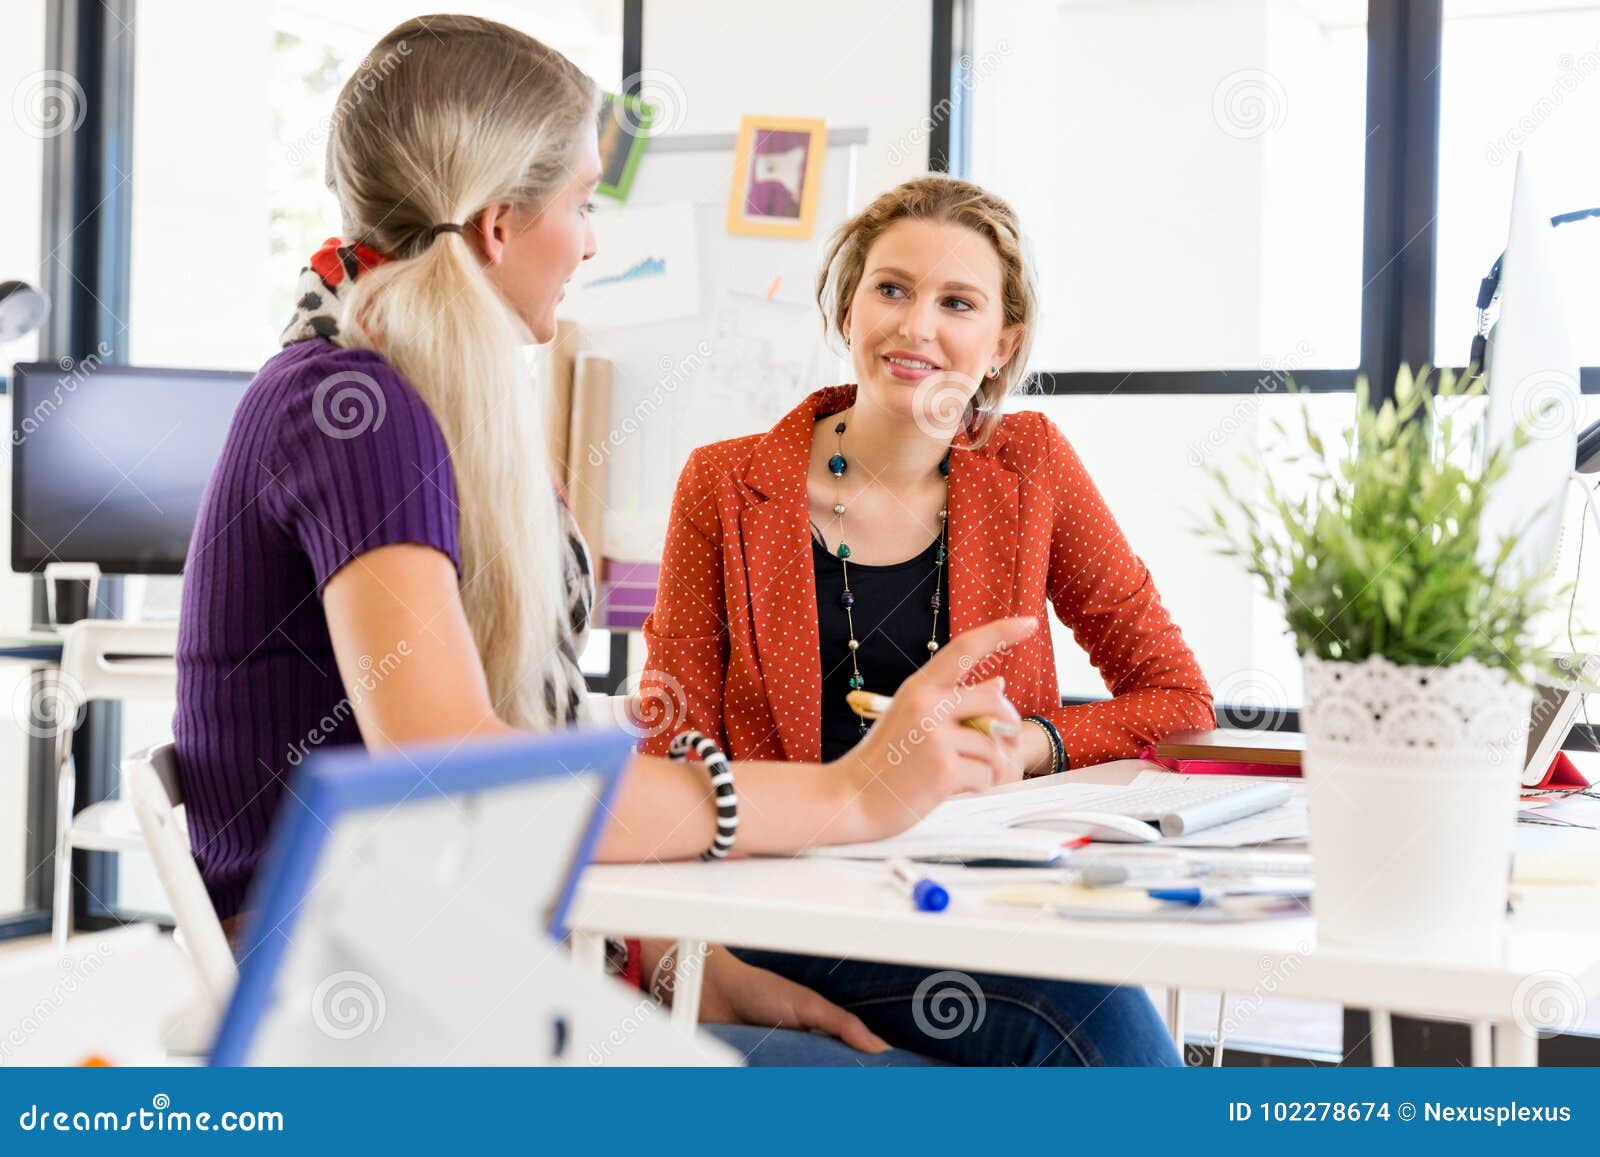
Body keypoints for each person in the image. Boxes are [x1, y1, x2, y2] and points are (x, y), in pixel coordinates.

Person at [172, 14, 1034, 1067]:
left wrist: (684, 966)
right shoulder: (358, 406)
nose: (589, 240)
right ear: (498, 225)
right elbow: (450, 761)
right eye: (582, 204)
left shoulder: (378, 383)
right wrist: (853, 790)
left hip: (437, 961)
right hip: (364, 1011)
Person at [638, 174, 1217, 1065]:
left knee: (1092, 1018)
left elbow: (1179, 702)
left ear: (1001, 343)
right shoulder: (724, 485)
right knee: (1095, 1033)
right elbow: (673, 746)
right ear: (848, 306)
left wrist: (1030, 746)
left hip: (976, 897)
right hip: (793, 895)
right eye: (893, 289)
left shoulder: (1034, 469)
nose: (916, 326)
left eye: (957, 302)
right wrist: (694, 960)